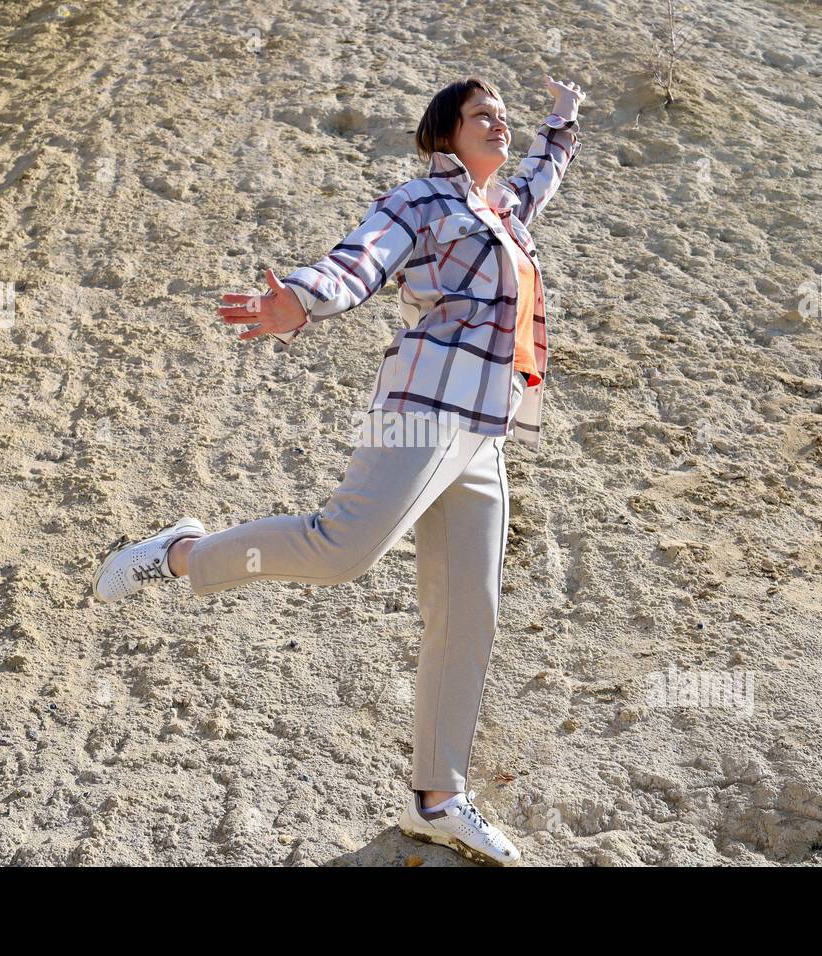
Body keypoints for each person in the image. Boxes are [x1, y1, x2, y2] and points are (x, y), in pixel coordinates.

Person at [93, 73, 583, 866]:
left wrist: (560, 119)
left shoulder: (506, 213)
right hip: (424, 408)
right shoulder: (419, 202)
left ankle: (438, 799)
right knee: (341, 550)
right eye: (480, 116)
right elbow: (360, 262)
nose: (498, 125)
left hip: (487, 430)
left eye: (503, 115)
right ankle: (181, 554)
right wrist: (303, 301)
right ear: (443, 135)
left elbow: (542, 173)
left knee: (470, 614)